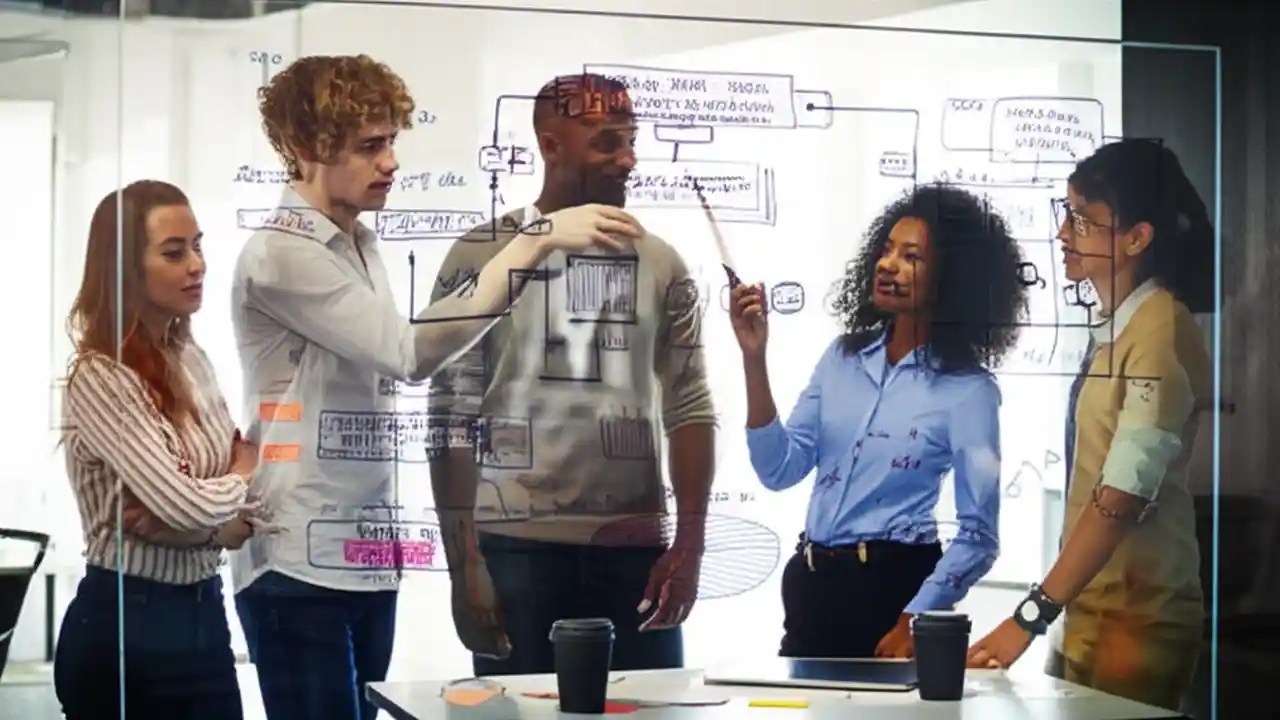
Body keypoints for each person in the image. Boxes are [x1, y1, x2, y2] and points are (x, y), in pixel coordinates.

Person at [227, 56, 642, 720]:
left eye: (391, 140)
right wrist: (535, 241)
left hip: (356, 556)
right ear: (308, 148)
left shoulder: (353, 241)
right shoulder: (283, 254)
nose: (390, 161)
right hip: (297, 563)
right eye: (370, 145)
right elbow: (409, 352)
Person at [427, 72, 716, 675]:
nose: (628, 158)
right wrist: (465, 565)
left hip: (635, 554)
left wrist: (689, 543)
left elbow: (689, 407)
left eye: (631, 139)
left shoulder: (661, 262)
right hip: (517, 550)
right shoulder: (484, 254)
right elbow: (452, 415)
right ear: (551, 146)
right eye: (608, 141)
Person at [728, 183, 1028, 659]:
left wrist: (915, 618)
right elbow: (778, 470)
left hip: (893, 590)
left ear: (953, 278)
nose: (888, 265)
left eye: (912, 257)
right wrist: (754, 359)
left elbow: (979, 535)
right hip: (812, 588)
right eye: (886, 250)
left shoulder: (970, 391)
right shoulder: (841, 358)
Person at [967, 139, 1214, 712]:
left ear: (1136, 239)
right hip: (1094, 608)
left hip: (1135, 620)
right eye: (1067, 213)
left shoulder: (1159, 332)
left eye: (1083, 220)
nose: (1063, 233)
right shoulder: (1117, 326)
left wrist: (1029, 616)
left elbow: (1122, 497)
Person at [55, 180, 261, 719]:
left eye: (198, 246)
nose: (196, 265)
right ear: (127, 269)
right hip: (127, 621)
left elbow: (210, 510)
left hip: (202, 612)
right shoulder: (102, 375)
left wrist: (198, 524)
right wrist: (232, 487)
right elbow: (202, 494)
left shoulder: (191, 356)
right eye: (174, 252)